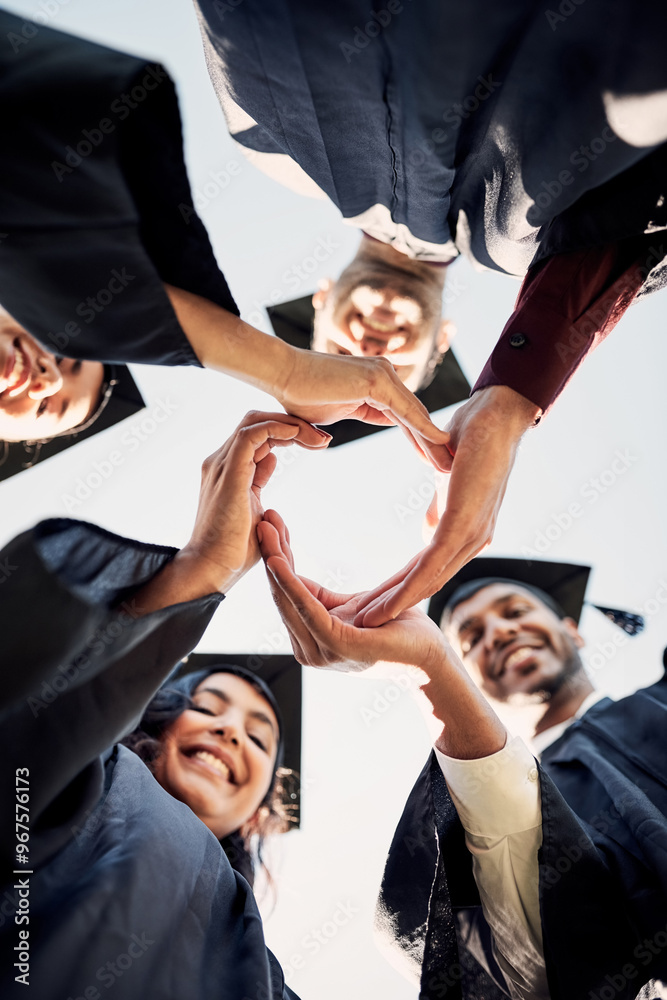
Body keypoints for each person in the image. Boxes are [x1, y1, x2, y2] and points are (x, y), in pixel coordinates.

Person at [193, 0, 667, 622]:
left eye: (342, 354)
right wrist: (508, 403)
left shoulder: (270, 140)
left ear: (319, 302)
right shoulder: (529, 241)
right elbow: (640, 213)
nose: (371, 348)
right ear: (441, 344)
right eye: (394, 365)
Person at [0, 12, 451, 473]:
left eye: (61, 340)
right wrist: (285, 371)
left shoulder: (282, 153)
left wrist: (287, 371)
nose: (46, 374)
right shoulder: (276, 149)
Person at [256, 515, 667, 1000]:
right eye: (470, 639)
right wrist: (428, 668)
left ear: (573, 631)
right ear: (469, 677)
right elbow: (520, 961)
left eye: (514, 611)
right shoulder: (510, 806)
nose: (498, 632)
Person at [0, 409, 322, 999]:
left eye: (258, 738)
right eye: (209, 705)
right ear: (157, 718)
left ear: (258, 811)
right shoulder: (76, 773)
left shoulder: (259, 968)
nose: (229, 731)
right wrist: (204, 568)